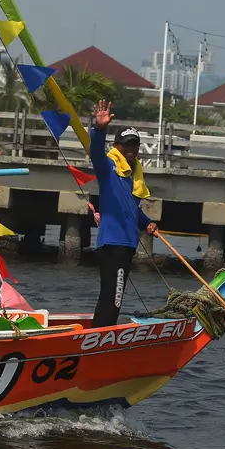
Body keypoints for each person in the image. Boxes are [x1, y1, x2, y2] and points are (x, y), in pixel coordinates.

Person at [89, 101, 157, 327]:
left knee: (112, 298)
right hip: (113, 244)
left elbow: (130, 211)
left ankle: (100, 334)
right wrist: (99, 129)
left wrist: (146, 223)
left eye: (135, 146)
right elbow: (96, 152)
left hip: (127, 244)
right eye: (127, 145)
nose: (131, 150)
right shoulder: (108, 168)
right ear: (117, 146)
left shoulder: (134, 176)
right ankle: (100, 338)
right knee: (113, 299)